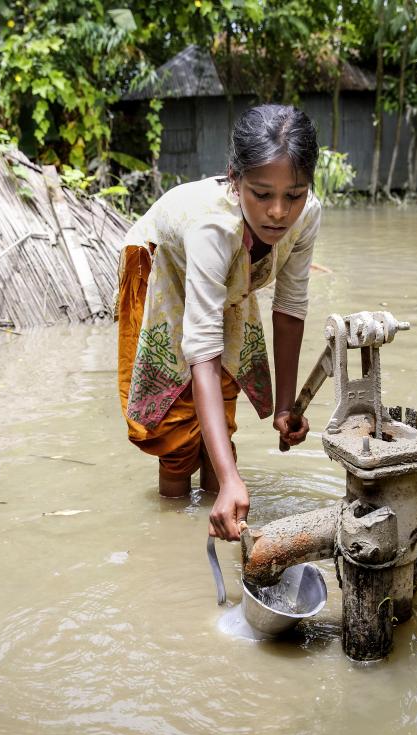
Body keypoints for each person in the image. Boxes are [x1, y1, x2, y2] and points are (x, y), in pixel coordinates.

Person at [116, 104, 322, 542]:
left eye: (294, 195)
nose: (279, 213)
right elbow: (202, 350)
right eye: (262, 194)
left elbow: (290, 306)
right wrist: (235, 481)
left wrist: (286, 407)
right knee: (172, 424)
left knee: (225, 390)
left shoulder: (307, 216)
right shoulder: (213, 227)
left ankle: (220, 488)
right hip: (162, 261)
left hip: (232, 271)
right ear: (235, 180)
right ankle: (172, 526)